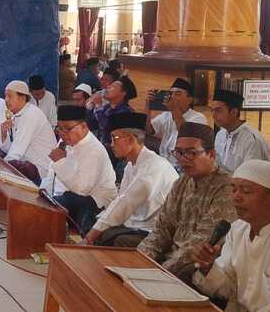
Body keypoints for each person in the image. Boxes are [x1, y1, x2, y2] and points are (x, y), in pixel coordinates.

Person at [192, 159, 270, 312]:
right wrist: (207, 267)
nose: (236, 197)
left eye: (246, 191)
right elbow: (228, 289)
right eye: (233, 189)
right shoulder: (238, 229)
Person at [138, 123, 237, 284]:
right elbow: (161, 230)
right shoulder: (181, 183)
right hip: (169, 261)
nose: (183, 159)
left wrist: (161, 272)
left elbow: (201, 245)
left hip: (197, 268)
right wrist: (139, 260)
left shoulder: (227, 187)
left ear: (211, 154)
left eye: (191, 153)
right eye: (179, 152)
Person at [83, 113, 178, 247]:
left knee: (113, 239)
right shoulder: (131, 165)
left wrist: (90, 237)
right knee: (92, 222)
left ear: (131, 139)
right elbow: (120, 199)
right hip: (134, 224)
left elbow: (126, 203)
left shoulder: (153, 167)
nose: (111, 144)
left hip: (153, 230)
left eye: (114, 138)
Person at [41, 105, 116, 236]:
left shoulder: (94, 150)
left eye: (67, 128)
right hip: (69, 196)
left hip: (95, 202)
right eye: (59, 128)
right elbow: (53, 175)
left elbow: (82, 189)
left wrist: (60, 162)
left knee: (57, 207)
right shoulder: (65, 141)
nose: (62, 133)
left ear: (84, 126)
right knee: (43, 203)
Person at [0, 80, 57, 185]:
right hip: (27, 164)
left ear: (22, 98)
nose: (6, 100)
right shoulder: (18, 115)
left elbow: (16, 151)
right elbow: (11, 149)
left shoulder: (31, 115)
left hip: (41, 170)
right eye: (5, 96)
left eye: (9, 96)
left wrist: (1, 169)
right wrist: (3, 133)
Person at [147, 78, 208, 170]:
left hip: (183, 167)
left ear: (190, 100)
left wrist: (174, 109)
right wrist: (148, 106)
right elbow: (147, 130)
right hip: (164, 164)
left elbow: (186, 135)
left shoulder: (199, 118)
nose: (172, 97)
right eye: (171, 94)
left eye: (177, 94)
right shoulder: (166, 115)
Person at [210, 89, 269, 173]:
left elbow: (250, 175)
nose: (213, 115)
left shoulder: (251, 139)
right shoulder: (220, 134)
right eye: (212, 110)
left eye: (218, 110)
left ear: (234, 112)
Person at [88, 76, 137, 145]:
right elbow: (91, 124)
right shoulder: (107, 107)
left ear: (123, 93)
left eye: (113, 86)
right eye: (110, 85)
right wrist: (91, 105)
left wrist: (98, 106)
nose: (108, 87)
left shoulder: (126, 112)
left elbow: (108, 126)